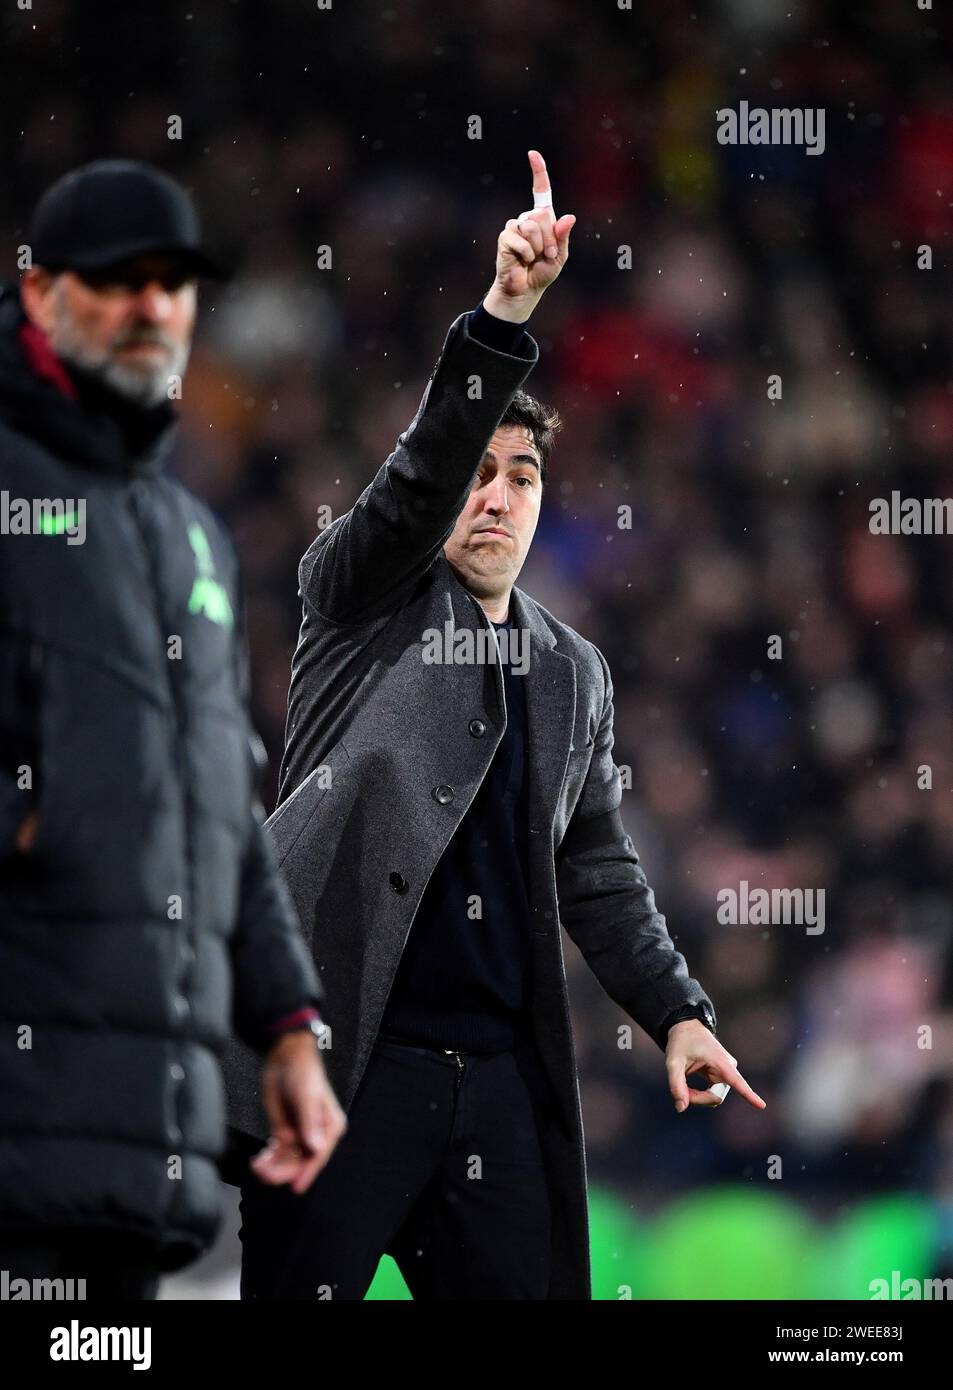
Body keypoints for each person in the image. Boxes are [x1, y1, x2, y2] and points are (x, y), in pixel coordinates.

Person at [222, 149, 765, 1301]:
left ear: (540, 498)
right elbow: (419, 474)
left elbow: (598, 872)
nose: (492, 494)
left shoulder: (574, 672)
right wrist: (506, 309)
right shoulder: (355, 595)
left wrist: (674, 1012)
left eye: (519, 475)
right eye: (476, 470)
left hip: (502, 1085)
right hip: (347, 1069)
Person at [0, 159, 345, 1300]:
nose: (153, 308)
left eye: (174, 284)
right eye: (118, 280)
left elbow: (221, 810)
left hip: (139, 1156)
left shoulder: (187, 533)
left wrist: (288, 1025)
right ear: (42, 293)